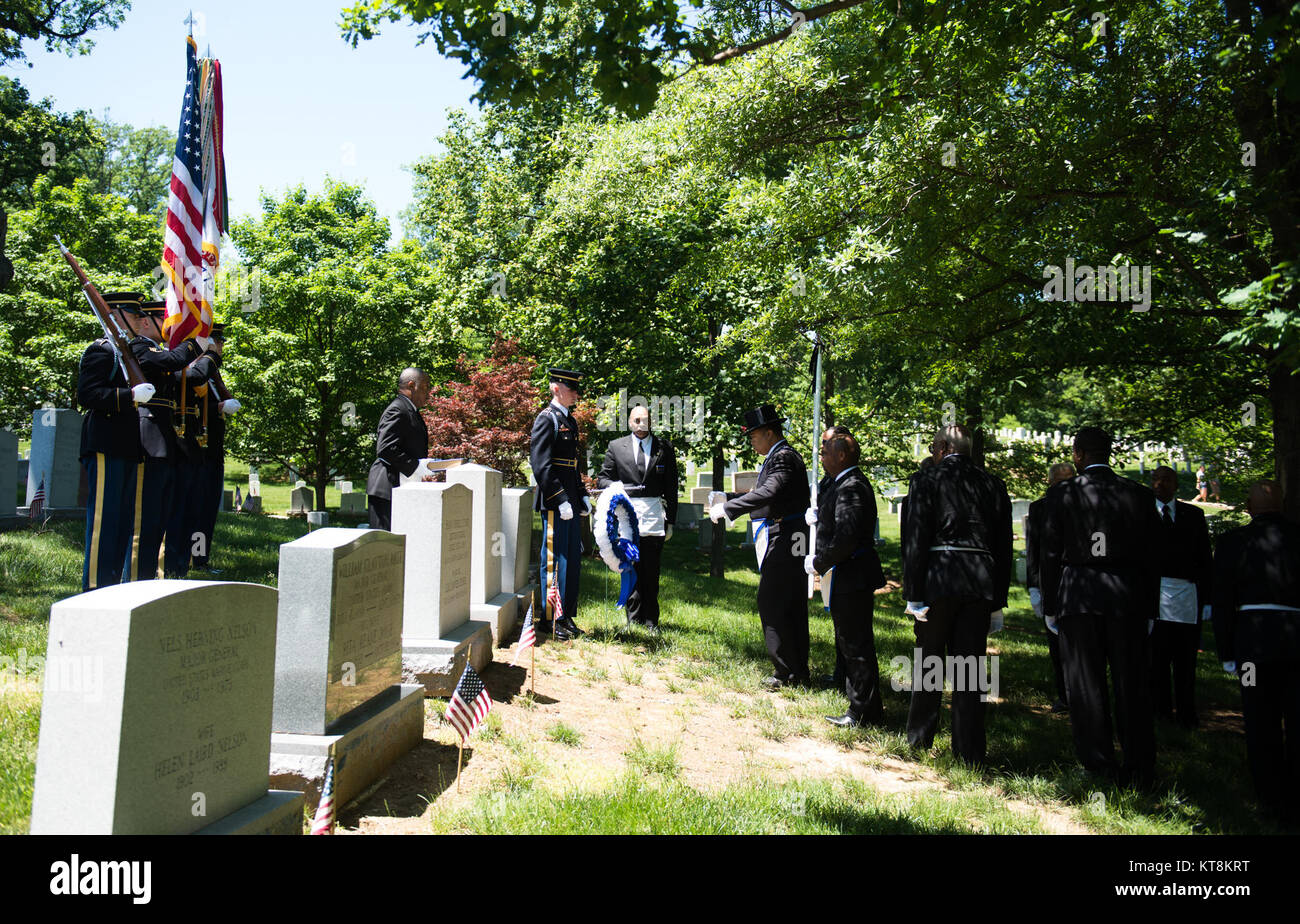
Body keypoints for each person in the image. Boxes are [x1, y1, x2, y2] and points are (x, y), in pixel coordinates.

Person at [1040, 426, 1160, 786]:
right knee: (1132, 682)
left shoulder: (1062, 494)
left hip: (1079, 593)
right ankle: (1139, 764)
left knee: (1085, 682)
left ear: (1078, 454)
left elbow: (1049, 554)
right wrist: (1151, 606)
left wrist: (1050, 603)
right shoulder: (1137, 495)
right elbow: (1154, 556)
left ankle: (1097, 762)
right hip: (1127, 595)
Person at [902, 424, 1012, 766]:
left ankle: (919, 738)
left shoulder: (926, 480)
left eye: (935, 446)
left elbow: (915, 541)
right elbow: (1004, 547)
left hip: (939, 578)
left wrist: (913, 594)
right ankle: (969, 751)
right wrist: (998, 599)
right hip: (979, 583)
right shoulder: (993, 484)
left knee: (930, 661)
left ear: (943, 447)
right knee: (970, 667)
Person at [1212, 480, 1300, 823]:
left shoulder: (1234, 542)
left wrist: (1226, 652)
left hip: (1252, 644)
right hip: (1295, 643)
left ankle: (1269, 798)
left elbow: (1222, 602)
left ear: (1249, 506)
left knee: (1259, 721)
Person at [709, 404, 811, 690]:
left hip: (787, 537)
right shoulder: (779, 456)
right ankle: (796, 670)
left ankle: (786, 672)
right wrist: (726, 496)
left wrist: (729, 509)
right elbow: (762, 494)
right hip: (790, 536)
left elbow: (769, 493)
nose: (751, 440)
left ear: (769, 432)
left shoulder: (783, 457)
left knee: (774, 602)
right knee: (788, 603)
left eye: (754, 435)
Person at [122, 297, 219, 582]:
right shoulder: (140, 347)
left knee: (174, 513)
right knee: (149, 518)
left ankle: (170, 570)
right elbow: (177, 364)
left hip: (174, 442)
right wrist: (203, 350)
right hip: (152, 439)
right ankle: (143, 577)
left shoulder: (153, 349)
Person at [805, 428, 887, 726]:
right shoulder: (842, 483)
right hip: (848, 575)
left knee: (856, 645)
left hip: (852, 576)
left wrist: (818, 562)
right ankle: (865, 706)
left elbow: (847, 538)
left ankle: (863, 712)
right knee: (851, 643)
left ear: (842, 455)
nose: (821, 455)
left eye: (826, 451)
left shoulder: (851, 486)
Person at [75, 295, 155, 591]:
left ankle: (114, 587)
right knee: (104, 521)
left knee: (122, 523)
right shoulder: (102, 351)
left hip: (128, 445)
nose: (139, 323)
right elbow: (88, 395)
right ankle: (95, 587)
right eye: (134, 317)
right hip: (106, 443)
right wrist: (128, 397)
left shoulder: (127, 354)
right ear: (117, 316)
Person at [596, 404, 679, 631]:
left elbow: (672, 486)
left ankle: (651, 621)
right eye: (636, 420)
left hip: (653, 515)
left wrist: (670, 520)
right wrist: (617, 487)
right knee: (631, 566)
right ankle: (633, 621)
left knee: (651, 570)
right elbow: (602, 479)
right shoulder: (616, 447)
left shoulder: (664, 447)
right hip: (627, 515)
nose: (641, 425)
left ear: (651, 421)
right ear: (629, 422)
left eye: (645, 420)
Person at [1149, 465, 1212, 728]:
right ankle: (1161, 710)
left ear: (1176, 485)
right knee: (1157, 658)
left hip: (1187, 593)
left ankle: (1187, 712)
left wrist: (1207, 599)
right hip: (1153, 595)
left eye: (1166, 480)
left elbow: (1204, 559)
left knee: (1185, 659)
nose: (1161, 484)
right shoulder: (1142, 516)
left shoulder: (1193, 515)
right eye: (1156, 480)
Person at [531, 368, 589, 641]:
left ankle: (565, 616)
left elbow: (572, 466)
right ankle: (550, 618)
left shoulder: (570, 421)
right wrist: (560, 499)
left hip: (570, 501)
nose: (576, 393)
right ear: (556, 388)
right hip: (556, 504)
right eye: (571, 388)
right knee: (555, 560)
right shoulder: (547, 420)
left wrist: (581, 494)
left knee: (572, 561)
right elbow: (541, 466)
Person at [1026, 461, 1076, 713]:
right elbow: (1033, 549)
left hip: (1079, 584)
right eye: (1060, 481)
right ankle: (1064, 694)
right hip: (1051, 583)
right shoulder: (1039, 509)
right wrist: (1034, 587)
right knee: (1056, 644)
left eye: (1070, 479)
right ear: (1050, 482)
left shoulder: (1083, 503)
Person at [191, 324, 240, 570]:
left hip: (213, 451)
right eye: (218, 342)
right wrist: (218, 408)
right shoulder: (194, 372)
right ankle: (191, 558)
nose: (221, 348)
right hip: (197, 451)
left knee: (208, 509)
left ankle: (201, 558)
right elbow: (190, 408)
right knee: (197, 509)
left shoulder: (211, 375)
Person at [366, 368, 432, 531]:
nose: (428, 393)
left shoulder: (410, 411)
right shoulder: (397, 409)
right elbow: (386, 448)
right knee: (386, 546)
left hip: (400, 487)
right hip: (387, 488)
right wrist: (416, 467)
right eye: (425, 387)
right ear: (411, 385)